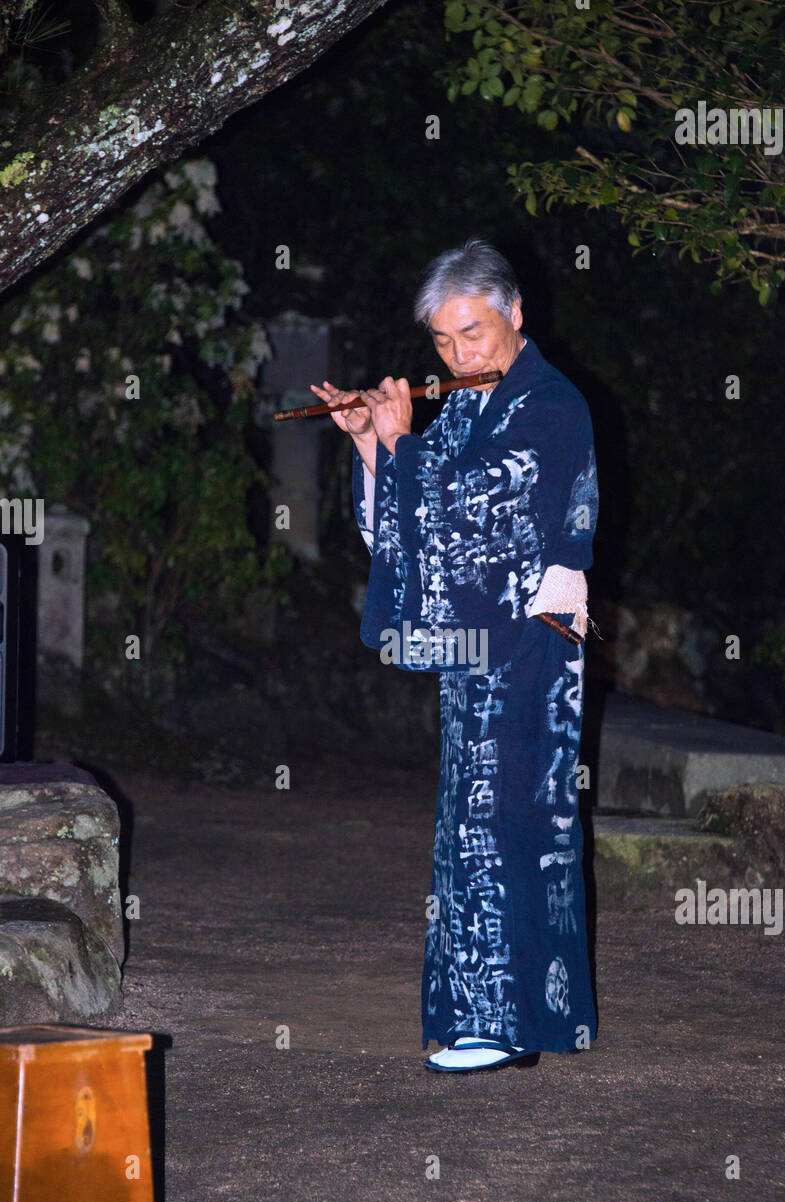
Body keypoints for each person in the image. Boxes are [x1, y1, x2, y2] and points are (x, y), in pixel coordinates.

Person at [310, 238, 598, 1072]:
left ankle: (510, 1024)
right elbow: (405, 523)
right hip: (481, 644)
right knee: (466, 822)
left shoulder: (549, 404)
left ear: (514, 315)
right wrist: (371, 442)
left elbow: (479, 520)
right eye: (441, 340)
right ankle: (486, 1014)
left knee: (513, 817)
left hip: (533, 637)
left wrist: (402, 448)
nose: (457, 353)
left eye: (471, 332)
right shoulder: (475, 405)